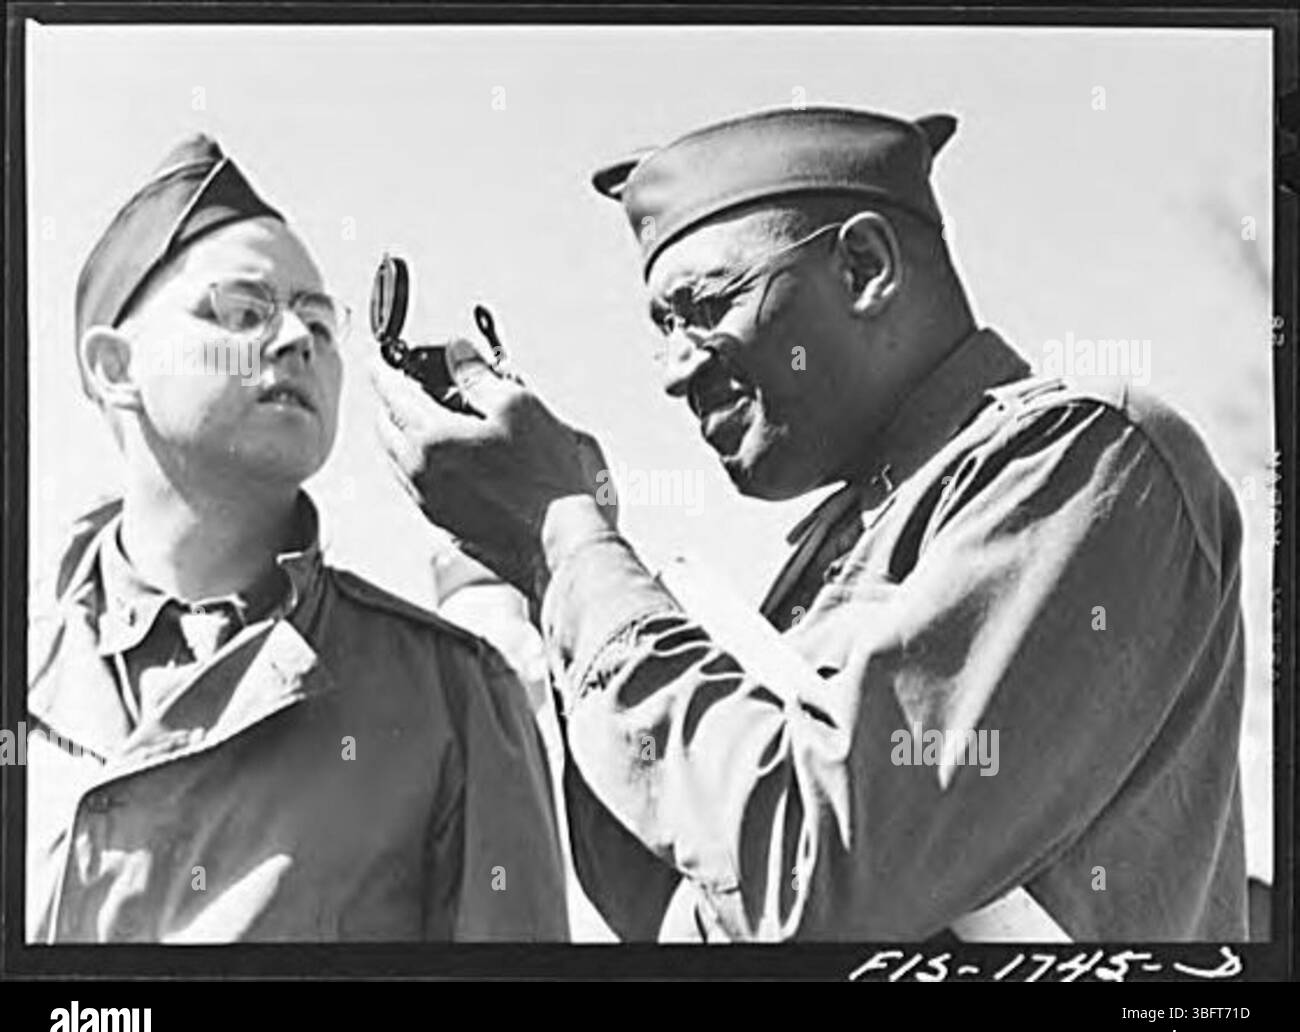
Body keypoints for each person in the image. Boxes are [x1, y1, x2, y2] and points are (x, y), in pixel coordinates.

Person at [373, 106, 1248, 941]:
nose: (675, 371)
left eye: (704, 307)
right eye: (661, 328)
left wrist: (569, 533)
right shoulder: (832, 554)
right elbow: (688, 912)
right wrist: (547, 562)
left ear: (865, 266)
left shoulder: (1085, 459)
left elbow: (818, 869)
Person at [27, 134, 567, 942]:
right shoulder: (30, 662)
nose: (297, 339)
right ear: (114, 367)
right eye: (244, 311)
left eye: (318, 317)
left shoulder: (453, 695)